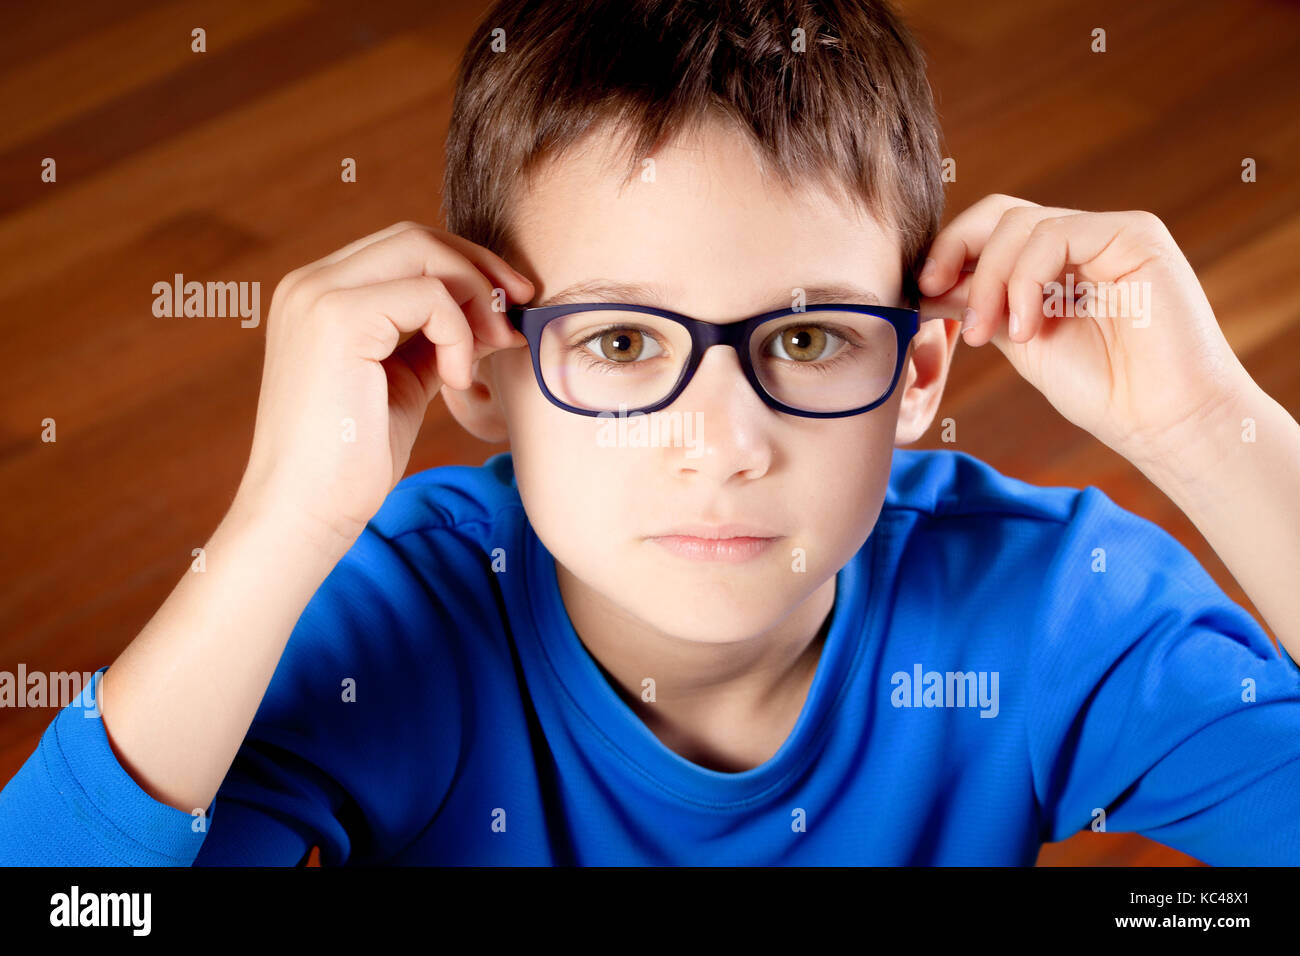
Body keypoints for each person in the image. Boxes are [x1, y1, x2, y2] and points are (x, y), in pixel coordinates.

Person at [2, 0, 1297, 866]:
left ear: (914, 373)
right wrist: (281, 519)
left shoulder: (1048, 607)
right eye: (622, 343)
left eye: (803, 340)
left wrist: (1208, 426)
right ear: (483, 372)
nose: (723, 446)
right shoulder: (383, 628)